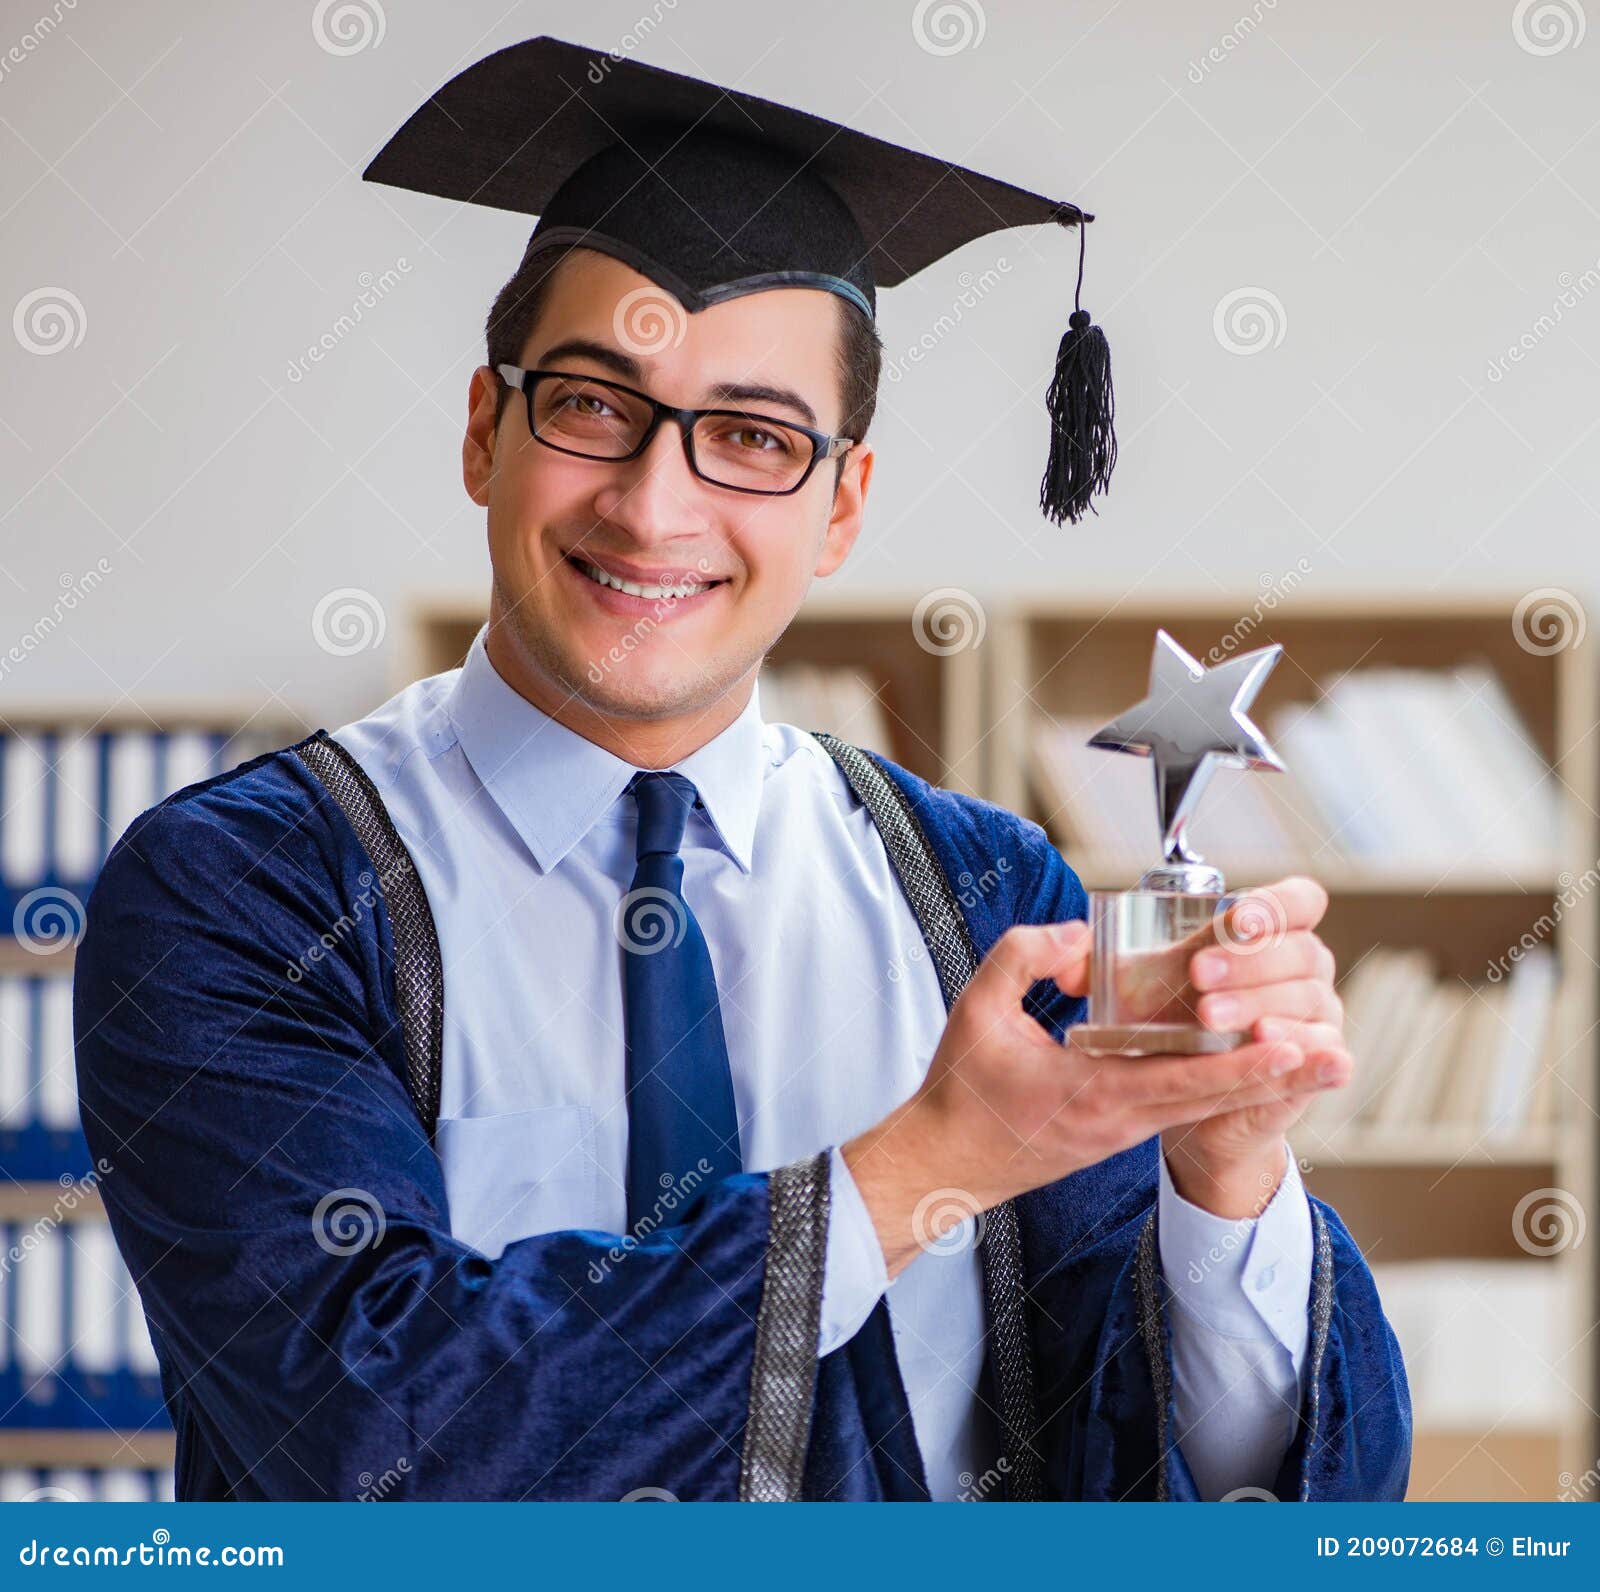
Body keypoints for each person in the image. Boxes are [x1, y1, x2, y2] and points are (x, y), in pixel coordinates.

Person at [72, 35, 1409, 1502]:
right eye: (591, 404)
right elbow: (359, 1436)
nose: (655, 506)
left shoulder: (983, 897)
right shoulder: (248, 890)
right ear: (483, 431)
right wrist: (913, 1169)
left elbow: (1184, 1495)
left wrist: (1225, 1182)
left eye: (755, 438)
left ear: (842, 506)